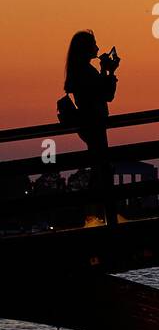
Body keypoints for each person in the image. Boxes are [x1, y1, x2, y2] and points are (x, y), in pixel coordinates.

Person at [62, 30, 119, 224]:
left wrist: (105, 71)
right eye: (94, 43)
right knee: (102, 169)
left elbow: (99, 92)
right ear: (86, 49)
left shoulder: (79, 71)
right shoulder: (85, 71)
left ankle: (97, 217)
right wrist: (110, 72)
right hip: (94, 123)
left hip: (89, 124)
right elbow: (106, 95)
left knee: (100, 168)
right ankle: (102, 217)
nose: (97, 47)